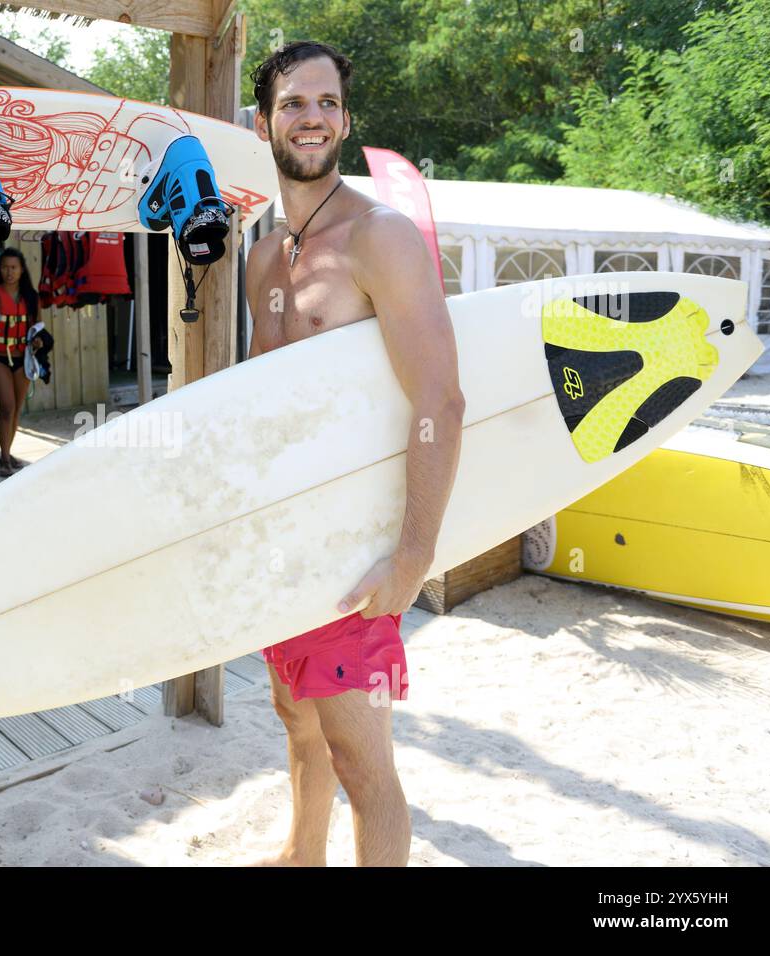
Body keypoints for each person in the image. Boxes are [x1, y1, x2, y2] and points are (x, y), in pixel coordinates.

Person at [245, 40, 465, 866]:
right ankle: (301, 856)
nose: (312, 118)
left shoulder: (381, 238)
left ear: (344, 118)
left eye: (327, 103)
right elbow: (261, 406)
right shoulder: (266, 257)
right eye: (295, 103)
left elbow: (441, 399)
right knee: (296, 723)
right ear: (264, 121)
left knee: (364, 768)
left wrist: (414, 556)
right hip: (282, 549)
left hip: (351, 553)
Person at [0, 248, 39, 477]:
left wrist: (39, 342)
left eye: (14, 267)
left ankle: (8, 452)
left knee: (16, 411)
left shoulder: (31, 297)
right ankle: (4, 457)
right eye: (5, 267)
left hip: (23, 358)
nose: (9, 271)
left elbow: (37, 329)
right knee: (7, 407)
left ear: (22, 270)